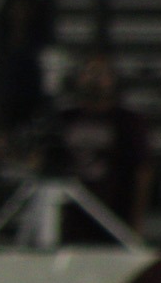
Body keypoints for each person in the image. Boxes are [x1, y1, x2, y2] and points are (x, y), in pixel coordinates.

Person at [52, 51, 153, 241]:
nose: (94, 80)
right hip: (72, 217)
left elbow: (142, 171)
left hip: (112, 213)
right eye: (90, 73)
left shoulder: (127, 121)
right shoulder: (65, 119)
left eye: (101, 74)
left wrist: (136, 221)